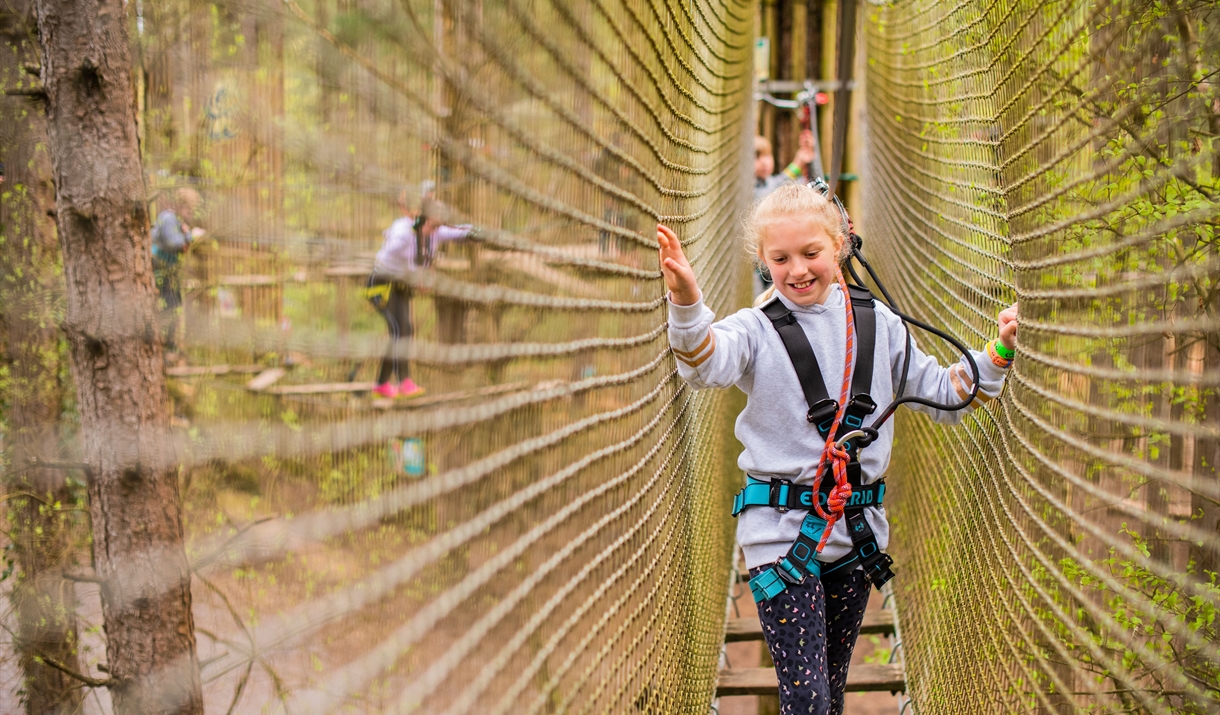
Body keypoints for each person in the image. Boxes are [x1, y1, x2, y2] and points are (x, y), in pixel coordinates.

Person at [657, 183, 1018, 715]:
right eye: (780, 258)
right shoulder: (754, 330)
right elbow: (705, 364)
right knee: (806, 699)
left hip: (856, 536)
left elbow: (944, 395)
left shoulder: (882, 325)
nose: (797, 270)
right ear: (763, 260)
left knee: (829, 694)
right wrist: (688, 302)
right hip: (779, 536)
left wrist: (997, 352)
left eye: (811, 253)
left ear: (840, 246)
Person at [367, 188, 471, 399]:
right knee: (400, 330)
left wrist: (482, 233)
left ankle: (381, 384)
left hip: (401, 289)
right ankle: (403, 382)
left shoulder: (435, 233)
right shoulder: (403, 231)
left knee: (405, 330)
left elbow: (461, 232)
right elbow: (388, 254)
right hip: (382, 285)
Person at [151, 187, 203, 355]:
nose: (190, 213)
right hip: (159, 270)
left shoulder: (176, 222)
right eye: (189, 209)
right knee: (168, 307)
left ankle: (169, 346)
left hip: (169, 273)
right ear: (180, 206)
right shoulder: (168, 218)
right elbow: (173, 243)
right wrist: (191, 236)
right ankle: (164, 347)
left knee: (174, 307)